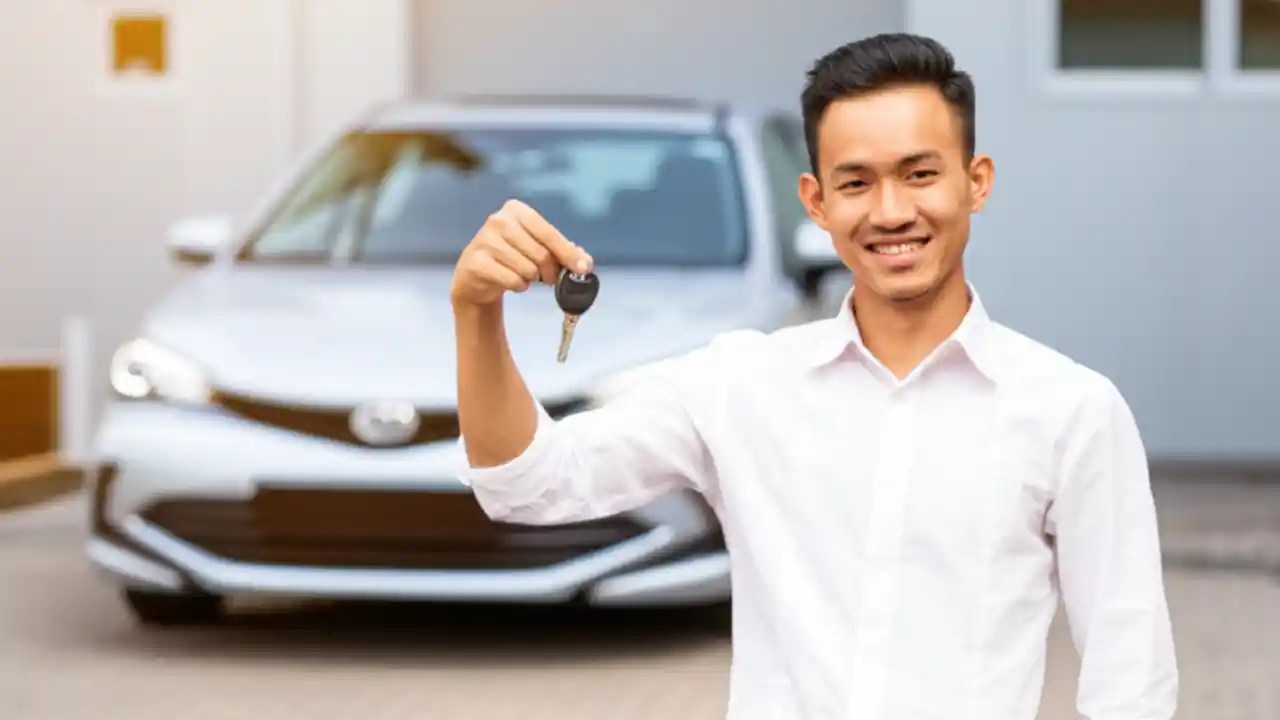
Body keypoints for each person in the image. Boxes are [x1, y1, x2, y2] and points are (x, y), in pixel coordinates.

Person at [448, 32, 1178, 720]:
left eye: (920, 174)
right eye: (856, 182)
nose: (891, 211)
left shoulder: (1070, 410)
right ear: (817, 201)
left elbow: (1130, 681)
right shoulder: (739, 384)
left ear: (975, 181)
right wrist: (477, 312)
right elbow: (526, 485)